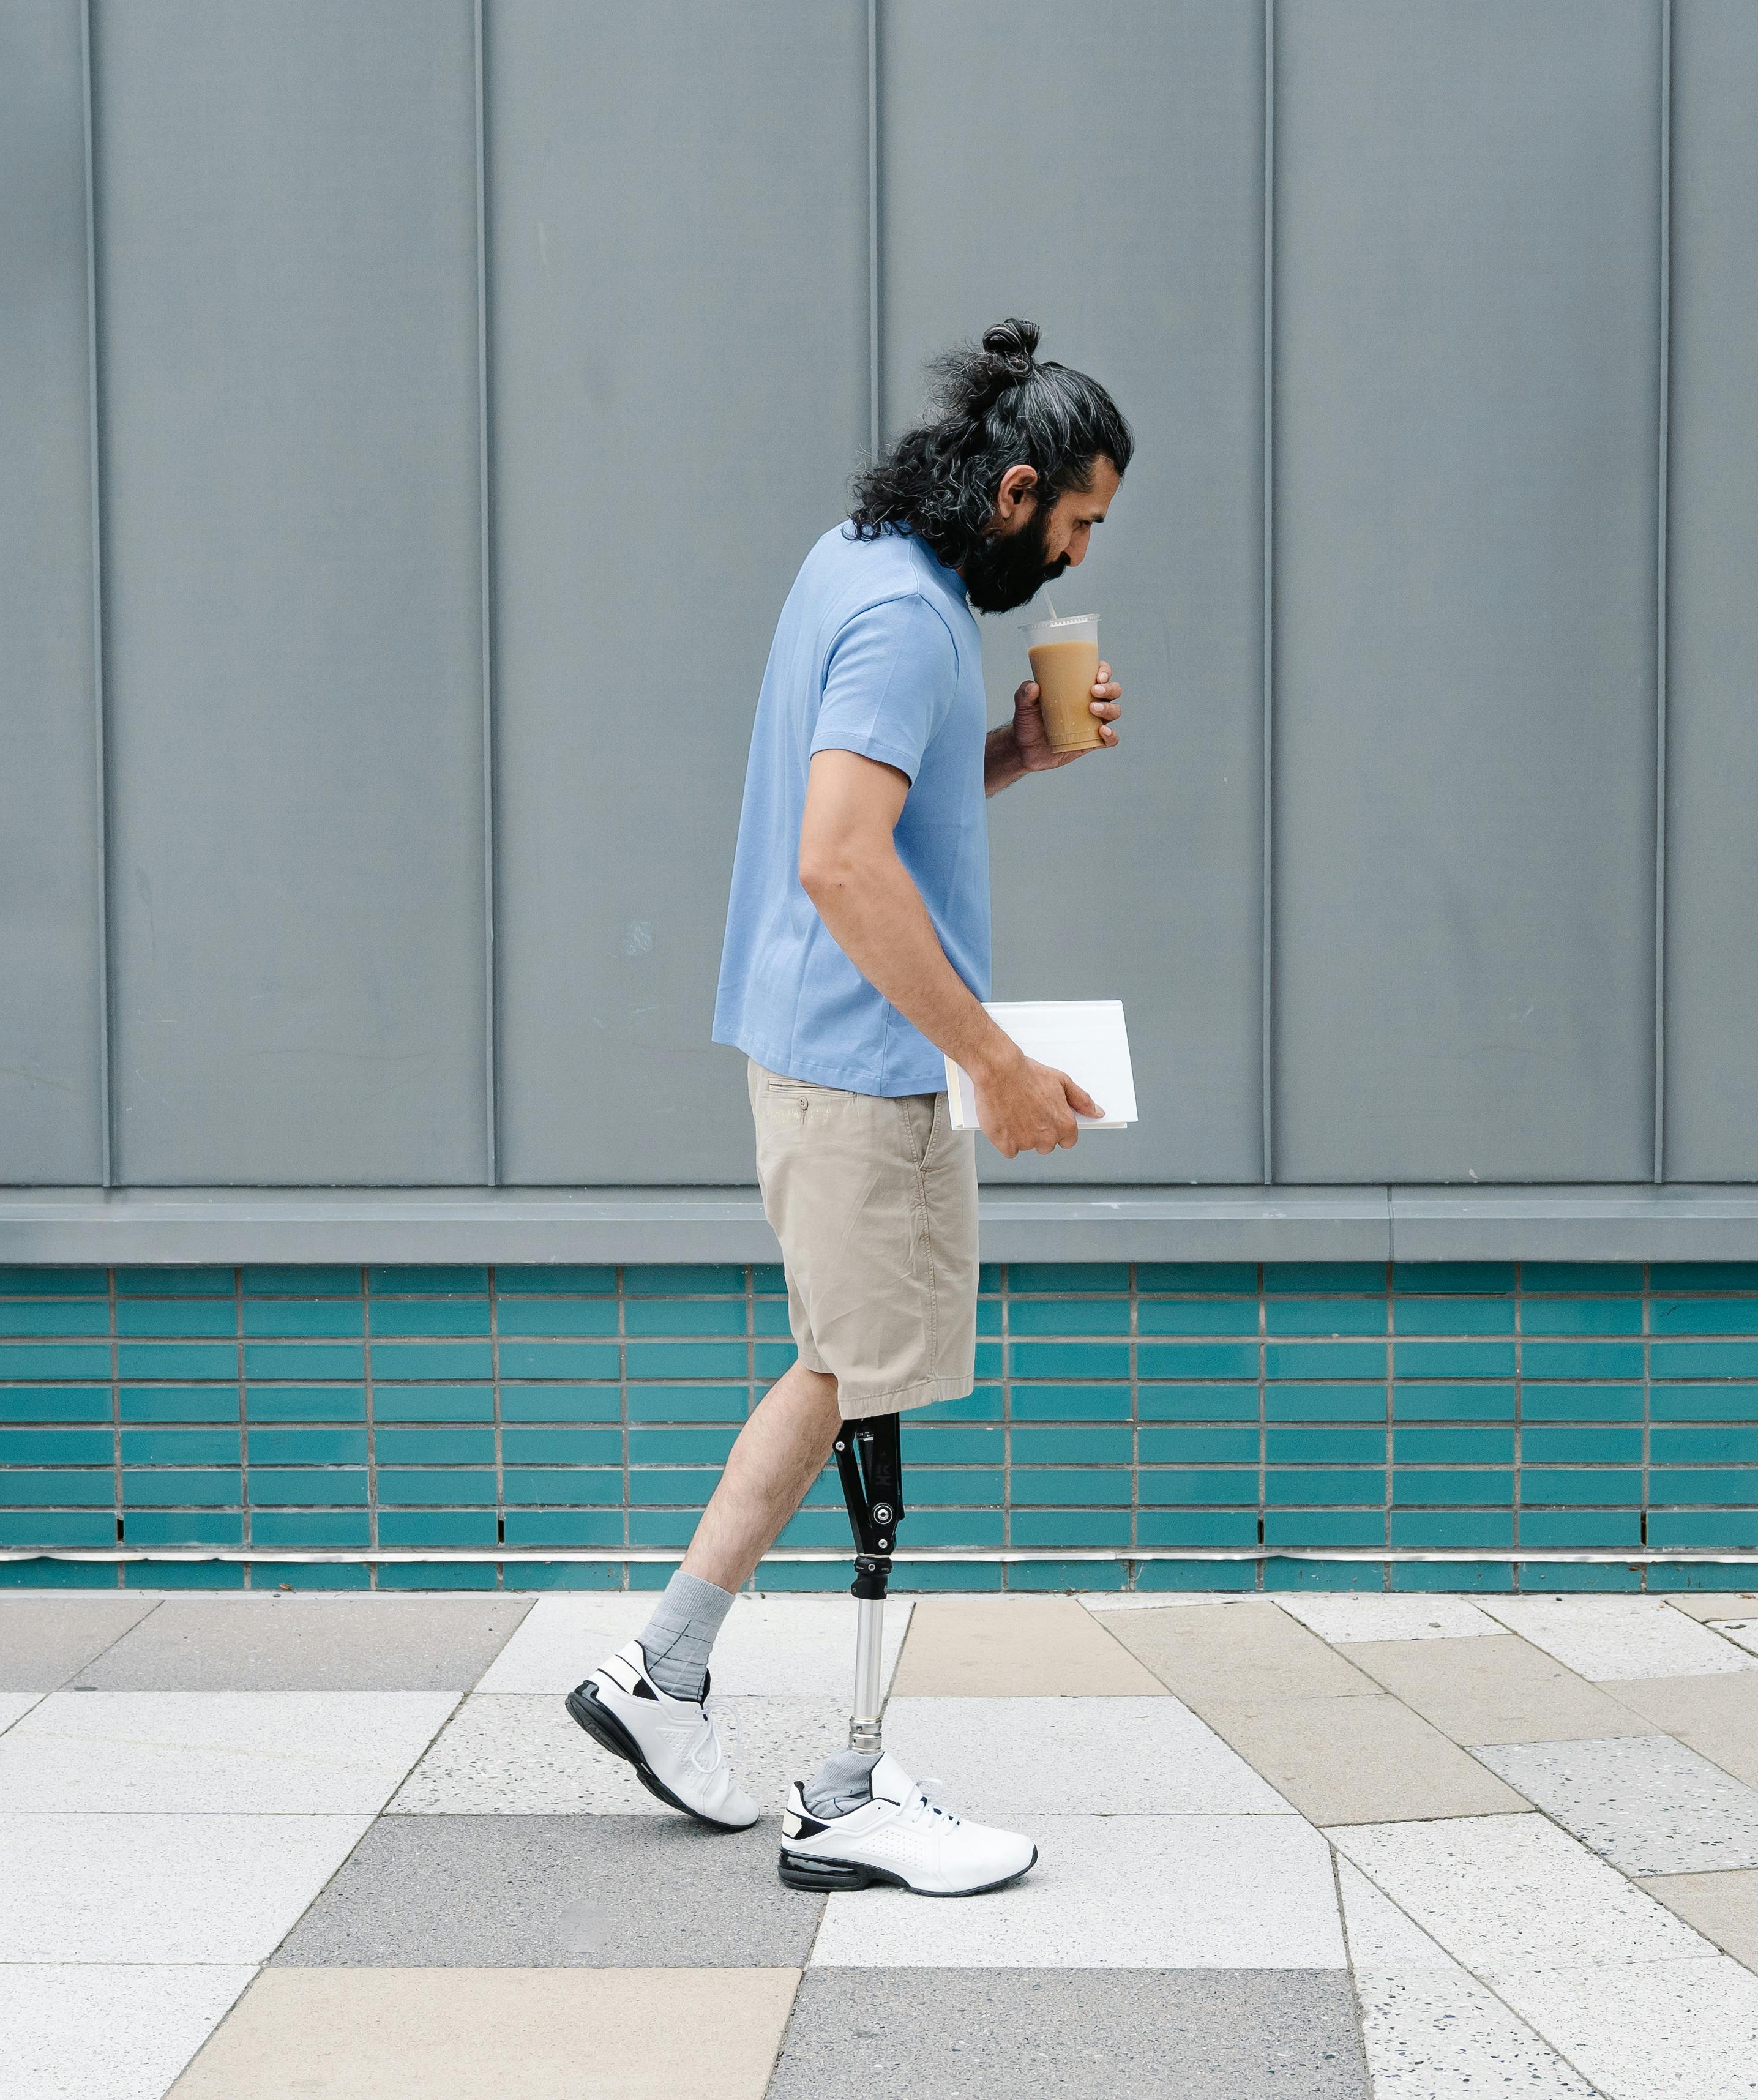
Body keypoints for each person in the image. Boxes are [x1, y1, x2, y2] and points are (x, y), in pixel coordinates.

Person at [569, 318, 1131, 1896]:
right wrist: (996, 1064)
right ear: (1014, 492)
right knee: (873, 1393)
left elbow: (876, 808)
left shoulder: (864, 558)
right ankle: (849, 1791)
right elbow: (837, 859)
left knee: (839, 1368)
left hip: (821, 1052)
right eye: (1078, 522)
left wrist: (1009, 753)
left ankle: (665, 1668)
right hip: (868, 1074)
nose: (1079, 553)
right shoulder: (905, 616)